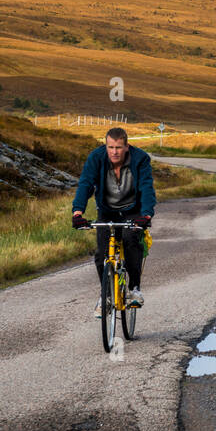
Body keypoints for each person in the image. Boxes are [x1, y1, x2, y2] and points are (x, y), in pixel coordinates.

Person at [71, 127, 155, 316]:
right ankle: (106, 296)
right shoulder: (96, 158)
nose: (114, 152)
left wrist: (146, 215)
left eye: (118, 147)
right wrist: (78, 212)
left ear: (126, 146)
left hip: (133, 211)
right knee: (101, 254)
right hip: (107, 211)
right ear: (105, 145)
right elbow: (85, 183)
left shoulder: (140, 159)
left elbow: (146, 187)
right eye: (110, 147)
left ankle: (134, 289)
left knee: (130, 239)